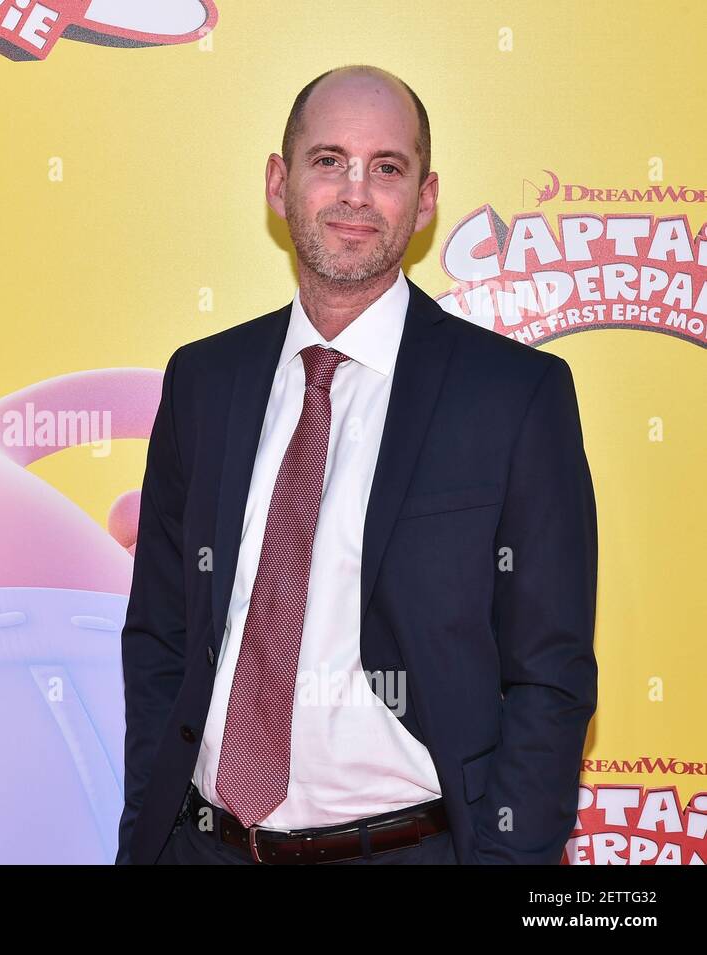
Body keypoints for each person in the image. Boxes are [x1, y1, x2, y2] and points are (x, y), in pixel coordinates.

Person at [117, 65, 599, 865]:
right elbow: (160, 633)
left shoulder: (514, 396)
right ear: (280, 182)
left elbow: (550, 676)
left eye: (387, 168)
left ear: (426, 198)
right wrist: (148, 830)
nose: (356, 193)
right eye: (329, 160)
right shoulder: (205, 381)